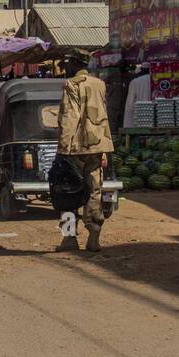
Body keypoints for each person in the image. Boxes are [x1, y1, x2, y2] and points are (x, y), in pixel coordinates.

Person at [55, 52, 114, 252]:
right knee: (94, 189)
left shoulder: (71, 84)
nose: (65, 68)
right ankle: (94, 235)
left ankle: (69, 239)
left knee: (68, 191)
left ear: (73, 63)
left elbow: (69, 118)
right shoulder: (100, 84)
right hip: (97, 145)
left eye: (67, 63)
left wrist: (63, 149)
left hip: (75, 147)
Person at [122, 64, 151, 129]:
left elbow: (129, 104)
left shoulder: (135, 82)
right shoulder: (156, 80)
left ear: (141, 70)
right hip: (154, 119)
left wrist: (128, 126)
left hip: (139, 119)